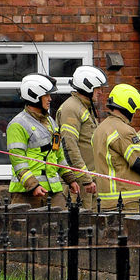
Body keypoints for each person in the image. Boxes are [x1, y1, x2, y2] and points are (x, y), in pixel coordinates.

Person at [91, 83, 140, 213]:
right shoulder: (124, 130)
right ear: (128, 106)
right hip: (127, 202)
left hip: (105, 201)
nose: (135, 113)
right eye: (135, 109)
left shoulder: (100, 129)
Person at [6, 73, 73, 207]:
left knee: (62, 220)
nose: (50, 99)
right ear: (34, 96)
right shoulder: (17, 125)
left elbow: (58, 154)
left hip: (54, 191)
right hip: (27, 194)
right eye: (46, 95)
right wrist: (33, 185)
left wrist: (70, 179)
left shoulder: (50, 122)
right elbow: (18, 161)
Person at [56, 64, 106, 208]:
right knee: (78, 221)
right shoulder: (71, 108)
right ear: (87, 87)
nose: (100, 92)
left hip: (88, 182)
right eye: (98, 88)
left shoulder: (84, 107)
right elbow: (69, 146)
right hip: (79, 184)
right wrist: (85, 178)